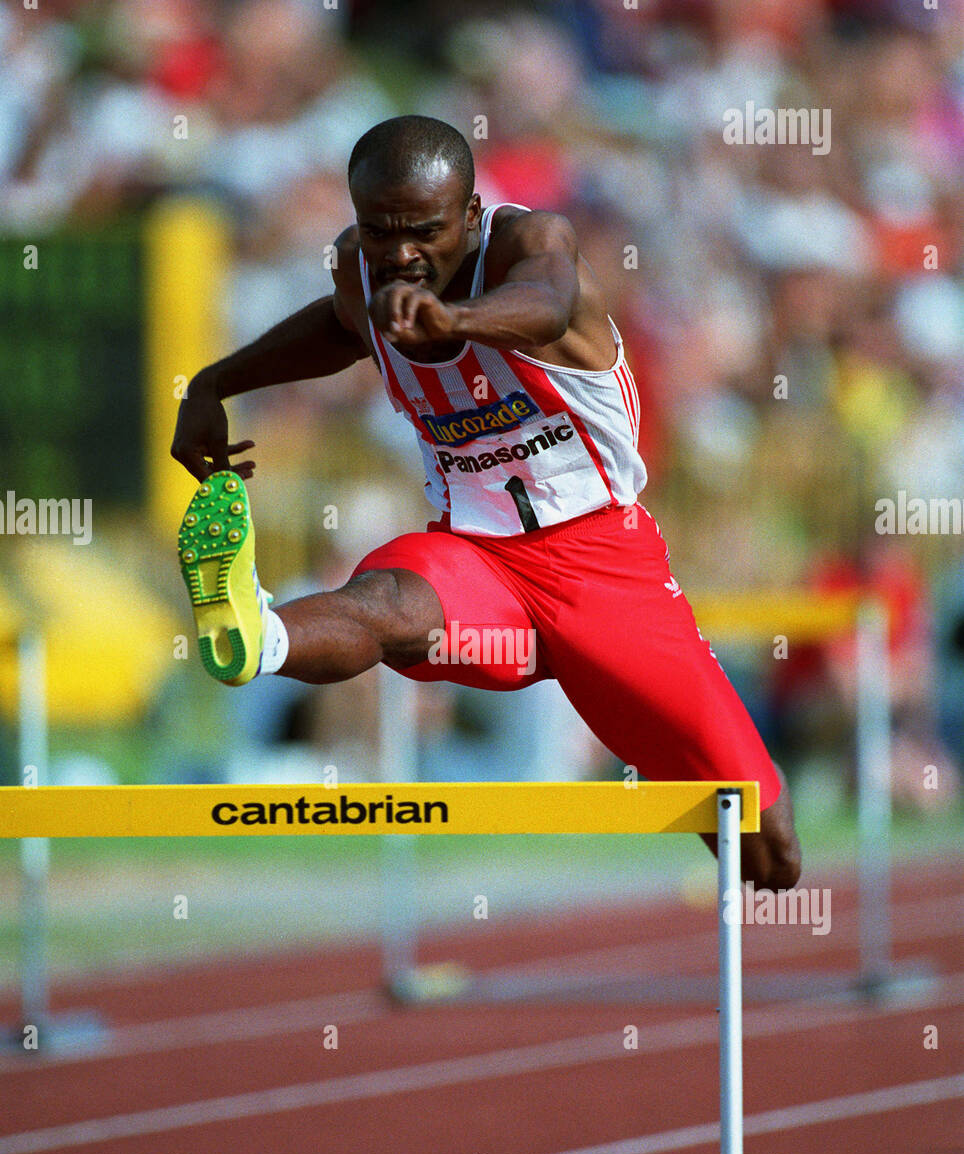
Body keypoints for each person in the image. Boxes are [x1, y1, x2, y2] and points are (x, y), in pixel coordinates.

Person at [171, 115, 801, 889]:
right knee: (383, 605)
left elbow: (545, 302)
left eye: (426, 232)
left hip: (603, 566)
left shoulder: (533, 244)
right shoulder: (358, 270)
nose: (401, 255)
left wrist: (456, 318)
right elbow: (337, 329)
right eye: (379, 231)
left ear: (470, 215)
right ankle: (256, 635)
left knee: (766, 845)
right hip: (479, 563)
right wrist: (214, 384)